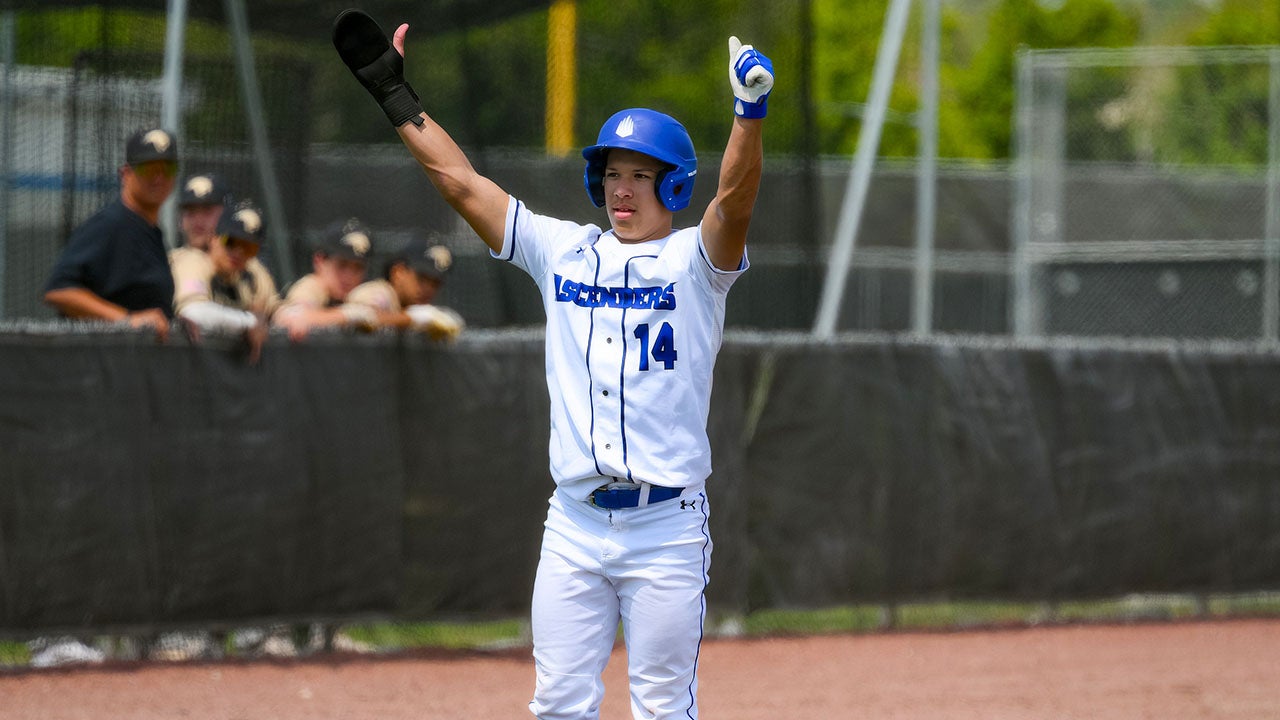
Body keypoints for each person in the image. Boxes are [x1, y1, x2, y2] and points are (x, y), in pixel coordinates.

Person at [334, 10, 773, 718]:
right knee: (558, 706)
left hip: (665, 527)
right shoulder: (564, 249)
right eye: (612, 173)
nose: (623, 188)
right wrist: (397, 100)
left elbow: (737, 201)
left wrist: (747, 116)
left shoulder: (696, 262)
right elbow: (461, 183)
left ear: (674, 186)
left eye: (640, 175)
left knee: (662, 708)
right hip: (572, 523)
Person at [42, 127, 179, 341]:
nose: (159, 177)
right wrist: (126, 319)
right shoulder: (111, 225)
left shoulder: (150, 231)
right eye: (149, 168)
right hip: (100, 367)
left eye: (167, 169)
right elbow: (58, 290)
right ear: (125, 174)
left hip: (136, 368)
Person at [170, 200, 279, 363]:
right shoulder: (191, 261)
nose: (238, 252)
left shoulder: (251, 273)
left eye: (248, 247)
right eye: (231, 242)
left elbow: (279, 310)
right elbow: (194, 312)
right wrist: (249, 321)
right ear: (214, 237)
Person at [271, 217, 378, 341]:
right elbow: (294, 317)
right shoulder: (311, 287)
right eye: (342, 265)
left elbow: (381, 314)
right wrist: (350, 314)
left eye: (358, 268)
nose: (349, 276)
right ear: (319, 261)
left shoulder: (360, 293)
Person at [346, 236, 465, 340]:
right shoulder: (378, 292)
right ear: (398, 272)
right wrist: (413, 318)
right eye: (422, 278)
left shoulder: (413, 310)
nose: (428, 288)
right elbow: (365, 318)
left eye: (435, 282)